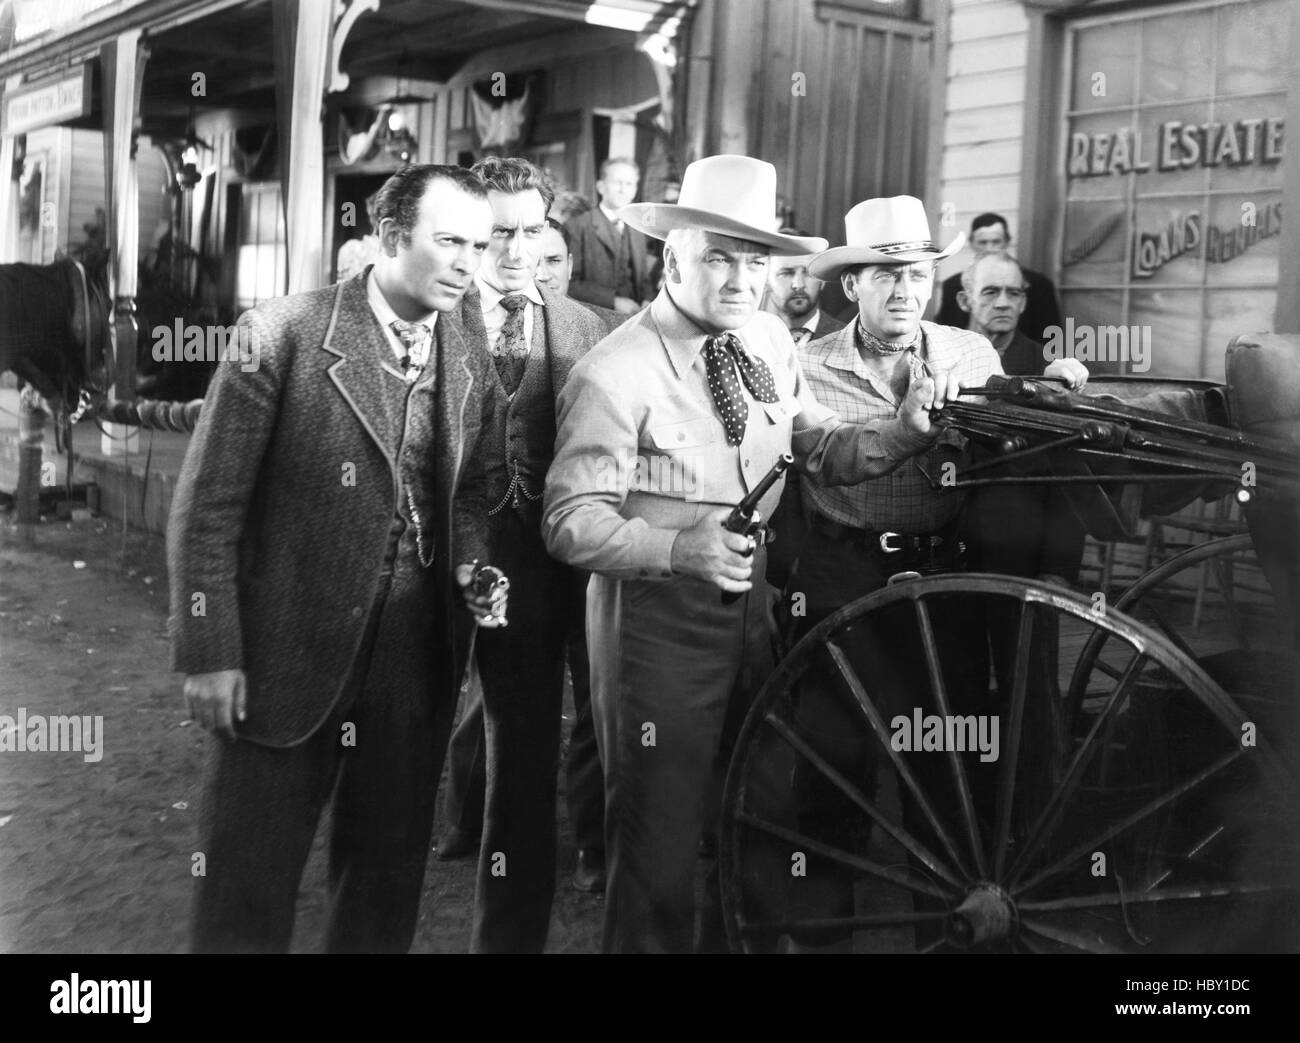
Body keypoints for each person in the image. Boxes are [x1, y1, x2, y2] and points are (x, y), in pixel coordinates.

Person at [542, 156, 962, 954]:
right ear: (672, 260)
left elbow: (818, 448)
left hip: (755, 611)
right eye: (719, 257)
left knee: (761, 818)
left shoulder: (768, 337)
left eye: (757, 260)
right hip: (655, 622)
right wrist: (679, 547)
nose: (742, 279)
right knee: (658, 842)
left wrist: (905, 432)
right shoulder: (615, 370)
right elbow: (568, 521)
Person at [168, 164, 505, 953]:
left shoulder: (467, 340)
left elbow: (475, 486)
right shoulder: (280, 333)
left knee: (384, 881)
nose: (468, 263)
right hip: (283, 648)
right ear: (390, 237)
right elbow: (207, 506)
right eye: (449, 240)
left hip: (413, 655)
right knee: (244, 886)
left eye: (479, 246)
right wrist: (209, 652)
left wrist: (470, 564)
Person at [780, 197, 1086, 950]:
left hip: (945, 585)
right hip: (841, 578)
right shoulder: (804, 366)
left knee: (943, 772)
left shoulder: (970, 357)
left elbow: (1017, 446)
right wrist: (904, 430)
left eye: (915, 274)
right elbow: (819, 456)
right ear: (851, 286)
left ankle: (937, 936)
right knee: (835, 774)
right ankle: (822, 939)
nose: (904, 291)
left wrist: (1056, 389)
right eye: (884, 275)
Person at [456, 155, 608, 952]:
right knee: (485, 754)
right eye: (496, 234)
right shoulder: (436, 318)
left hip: (562, 569)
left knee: (551, 750)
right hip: (451, 562)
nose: (515, 251)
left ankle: (519, 933)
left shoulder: (585, 328)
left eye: (530, 231)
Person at [761, 239, 846, 590]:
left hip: (830, 516)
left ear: (821, 280)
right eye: (785, 272)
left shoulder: (845, 338)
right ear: (766, 278)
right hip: (767, 508)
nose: (798, 283)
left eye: (806, 273)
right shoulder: (746, 339)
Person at [934, 212, 1062, 343]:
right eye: (982, 242)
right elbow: (944, 334)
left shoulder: (1038, 284)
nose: (989, 248)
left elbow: (1050, 341)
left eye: (996, 241)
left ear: (1007, 242)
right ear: (972, 244)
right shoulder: (953, 285)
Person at [565, 157, 655, 314]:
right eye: (617, 182)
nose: (623, 189)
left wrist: (648, 299)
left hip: (634, 321)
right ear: (601, 187)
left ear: (635, 190)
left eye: (629, 184)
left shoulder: (638, 229)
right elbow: (570, 284)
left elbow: (644, 281)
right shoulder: (577, 227)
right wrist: (612, 301)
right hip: (595, 318)